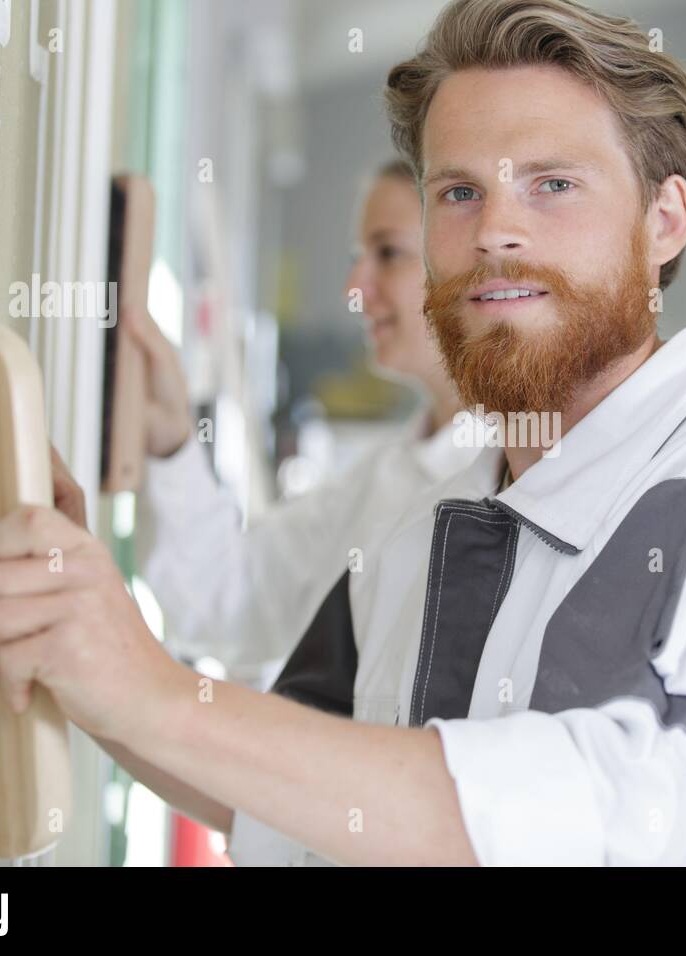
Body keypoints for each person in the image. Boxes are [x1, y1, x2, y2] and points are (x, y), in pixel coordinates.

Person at [0, 0, 686, 866]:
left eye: (553, 184)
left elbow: (606, 823)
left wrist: (145, 688)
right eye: (458, 192)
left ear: (664, 222)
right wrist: (82, 657)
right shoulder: (422, 530)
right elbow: (285, 787)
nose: (494, 234)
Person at [126, 160, 477, 680]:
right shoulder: (384, 476)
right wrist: (172, 440)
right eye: (359, 258)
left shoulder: (513, 480)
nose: (354, 288)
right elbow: (227, 595)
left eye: (388, 253)